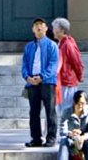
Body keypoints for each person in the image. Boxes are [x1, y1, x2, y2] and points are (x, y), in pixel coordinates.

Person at [22, 17, 60, 148]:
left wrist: (42, 77)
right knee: (34, 112)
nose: (38, 27)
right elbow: (25, 64)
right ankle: (36, 138)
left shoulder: (52, 46)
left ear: (46, 28)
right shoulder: (29, 47)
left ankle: (51, 138)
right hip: (32, 82)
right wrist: (27, 77)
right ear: (33, 29)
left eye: (41, 25)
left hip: (47, 82)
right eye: (36, 25)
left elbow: (53, 64)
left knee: (50, 111)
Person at [52, 18, 84, 113]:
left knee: (66, 109)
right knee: (61, 109)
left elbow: (76, 62)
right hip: (61, 81)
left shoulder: (68, 44)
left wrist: (79, 75)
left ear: (61, 31)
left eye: (54, 28)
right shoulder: (61, 43)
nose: (53, 30)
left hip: (67, 82)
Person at [58, 90, 88, 160]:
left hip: (85, 140)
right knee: (63, 141)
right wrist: (71, 133)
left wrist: (83, 137)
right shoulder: (66, 112)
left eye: (82, 103)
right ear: (74, 102)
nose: (80, 106)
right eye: (77, 103)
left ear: (86, 103)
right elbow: (62, 131)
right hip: (71, 140)